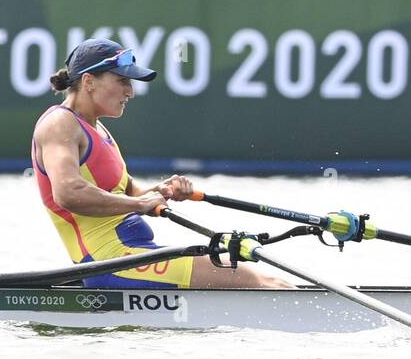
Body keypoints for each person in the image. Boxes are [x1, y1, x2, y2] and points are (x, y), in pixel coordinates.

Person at [31, 38, 290, 289]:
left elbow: (129, 194)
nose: (130, 92)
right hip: (110, 263)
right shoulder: (59, 125)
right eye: (122, 81)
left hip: (135, 255)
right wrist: (141, 204)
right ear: (88, 81)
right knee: (266, 284)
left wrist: (162, 190)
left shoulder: (98, 130)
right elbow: (68, 193)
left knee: (265, 280)